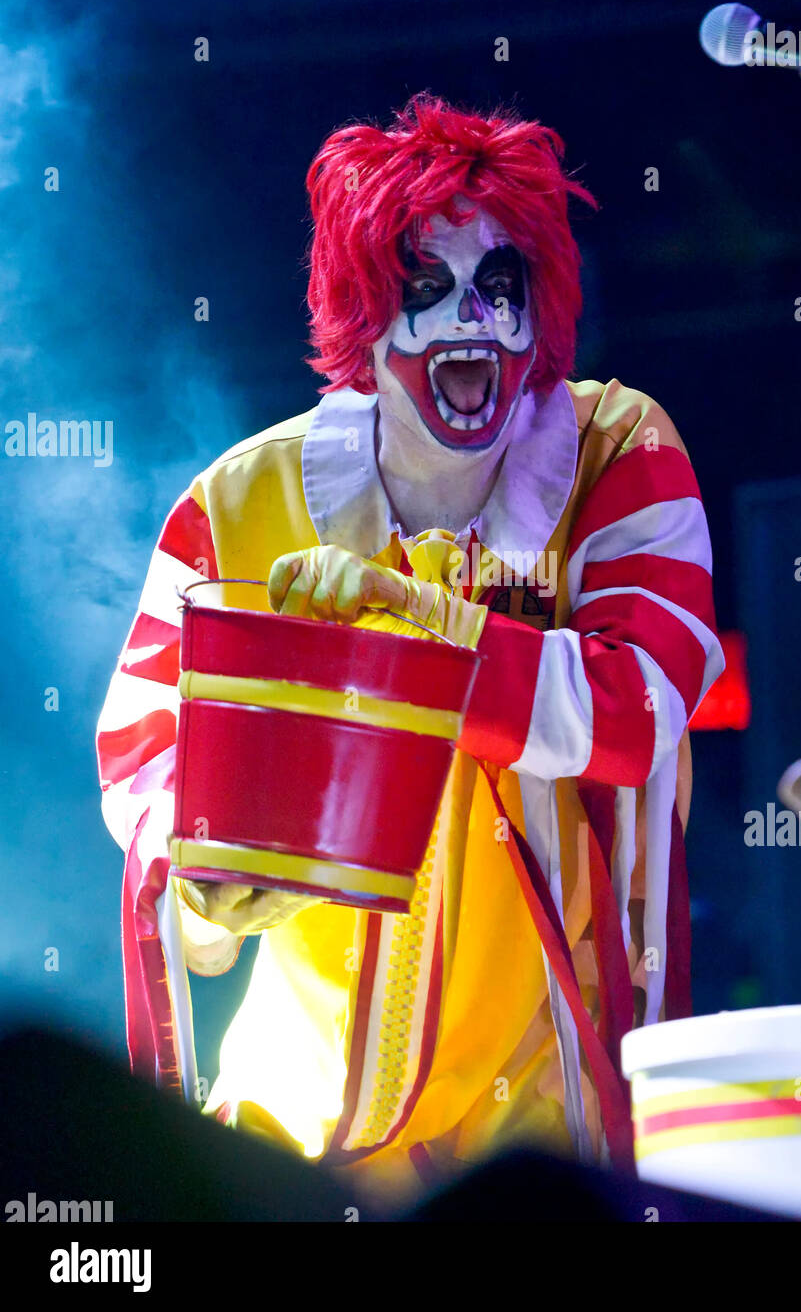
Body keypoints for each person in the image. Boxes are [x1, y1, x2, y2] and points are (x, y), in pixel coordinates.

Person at [96, 93, 724, 1209]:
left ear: (539, 306)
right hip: (305, 1109)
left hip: (542, 1111)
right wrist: (207, 886)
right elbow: (146, 758)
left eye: (497, 284)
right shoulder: (240, 503)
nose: (464, 319)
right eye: (420, 290)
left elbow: (633, 708)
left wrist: (414, 623)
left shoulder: (618, 455)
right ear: (365, 318)